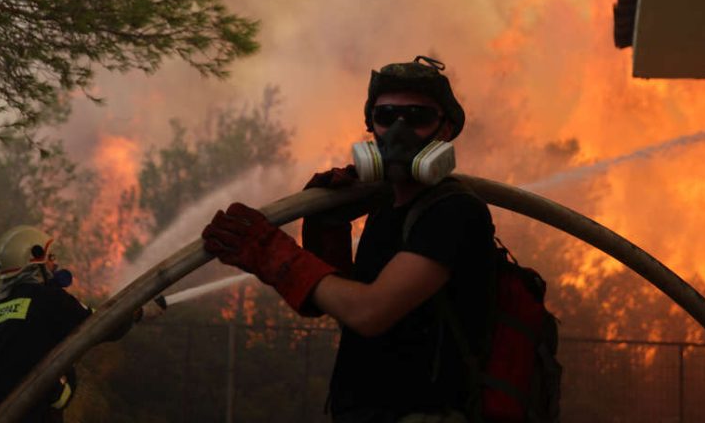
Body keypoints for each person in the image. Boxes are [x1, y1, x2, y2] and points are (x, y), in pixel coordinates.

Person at [203, 56, 495, 423]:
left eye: (418, 117)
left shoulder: (455, 213)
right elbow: (352, 315)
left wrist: (273, 254)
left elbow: (370, 312)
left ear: (446, 130)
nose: (399, 132)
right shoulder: (388, 212)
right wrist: (329, 230)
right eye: (386, 116)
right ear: (371, 126)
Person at [0, 225, 165, 422]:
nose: (56, 264)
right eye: (50, 258)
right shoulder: (47, 298)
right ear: (34, 260)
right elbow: (100, 325)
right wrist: (137, 312)